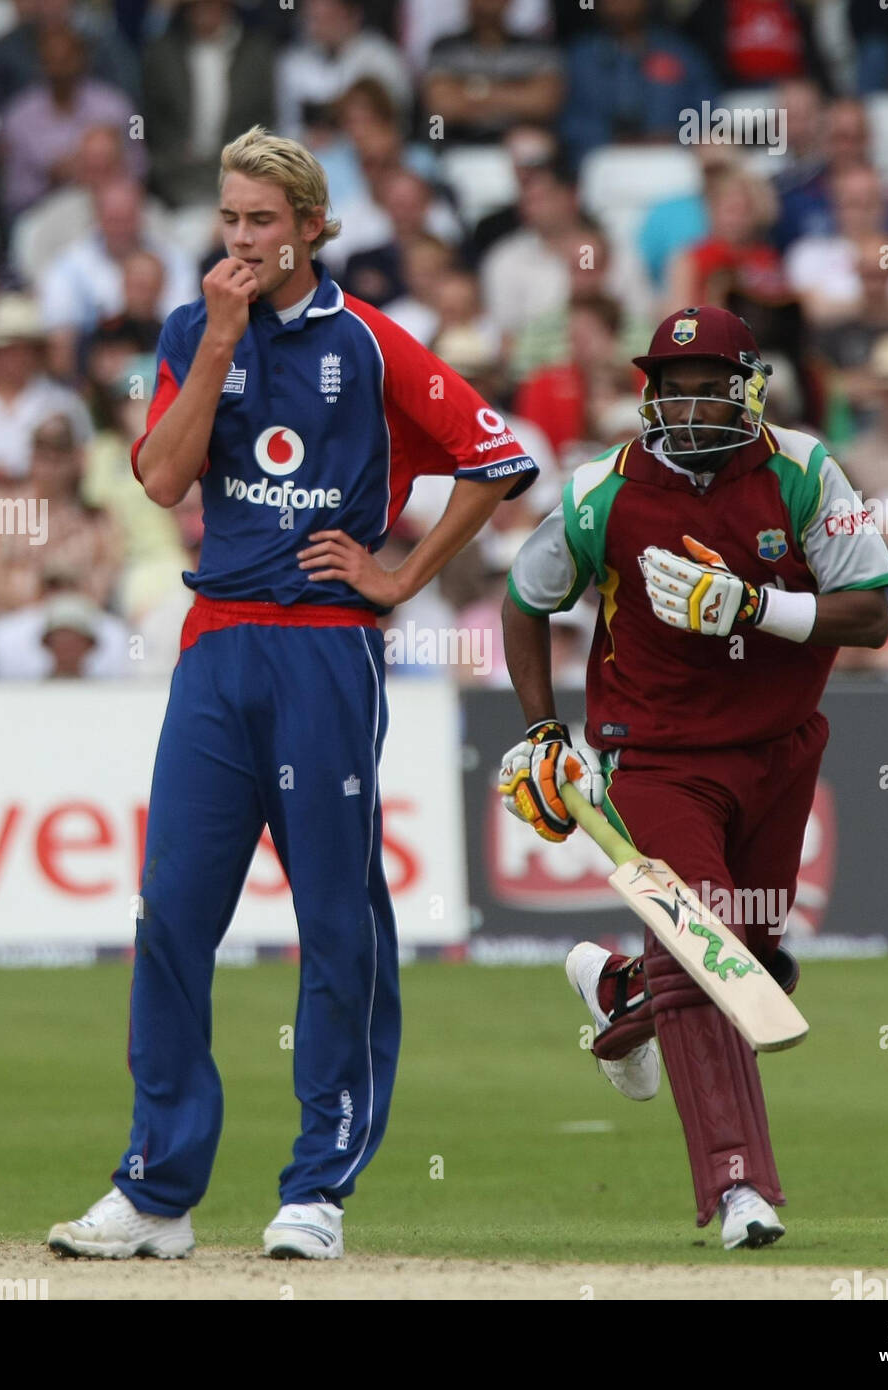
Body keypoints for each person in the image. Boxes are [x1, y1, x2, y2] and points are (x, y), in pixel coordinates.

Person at [46, 124, 537, 1262]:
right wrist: (218, 338)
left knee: (334, 918)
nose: (241, 239)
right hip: (216, 643)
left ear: (313, 226)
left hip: (325, 647)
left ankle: (318, 1187)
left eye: (262, 220)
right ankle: (157, 1193)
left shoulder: (365, 340)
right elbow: (165, 477)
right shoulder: (190, 327)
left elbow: (498, 458)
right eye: (227, 218)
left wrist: (401, 576)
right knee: (172, 915)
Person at [497, 305, 888, 1250]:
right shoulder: (603, 490)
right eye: (672, 388)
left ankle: (621, 991)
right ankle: (738, 1187)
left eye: (708, 384)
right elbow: (524, 598)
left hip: (780, 748)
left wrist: (757, 606)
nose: (689, 404)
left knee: (746, 960)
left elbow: (869, 615)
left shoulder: (802, 472)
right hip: (657, 756)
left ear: (748, 384)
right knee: (709, 949)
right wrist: (545, 732)